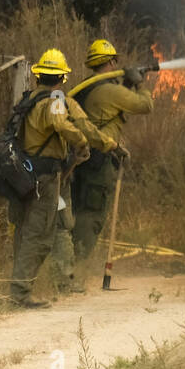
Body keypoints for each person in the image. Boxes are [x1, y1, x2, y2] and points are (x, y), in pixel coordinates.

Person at [8, 48, 116, 307]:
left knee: (25, 232)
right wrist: (81, 142)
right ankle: (20, 294)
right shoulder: (56, 99)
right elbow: (60, 123)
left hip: (22, 175)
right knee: (40, 235)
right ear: (61, 79)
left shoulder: (29, 99)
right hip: (44, 178)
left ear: (38, 76)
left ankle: (20, 288)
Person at [68, 39, 154, 262]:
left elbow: (108, 110)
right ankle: (76, 269)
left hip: (80, 158)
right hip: (99, 160)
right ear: (112, 61)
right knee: (92, 215)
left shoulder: (89, 87)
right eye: (115, 61)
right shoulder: (110, 90)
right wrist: (139, 84)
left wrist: (126, 84)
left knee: (80, 210)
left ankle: (68, 264)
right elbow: (146, 106)